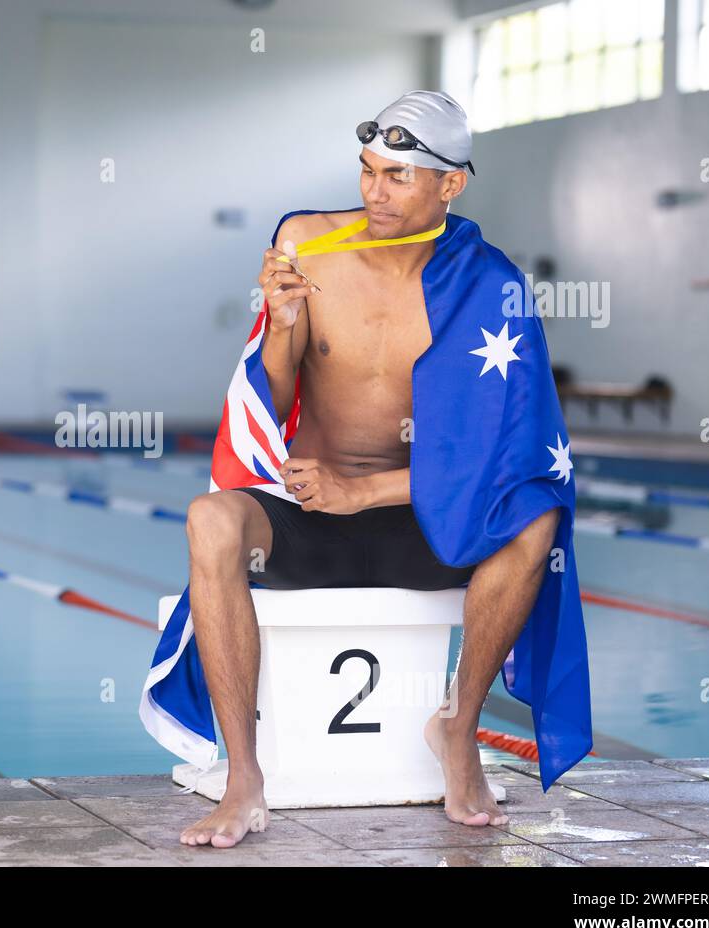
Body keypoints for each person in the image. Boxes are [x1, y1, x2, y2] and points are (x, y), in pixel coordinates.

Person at [177, 91, 563, 848]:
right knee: (210, 519)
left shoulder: (490, 286)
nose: (372, 193)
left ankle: (456, 725)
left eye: (396, 178)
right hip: (311, 513)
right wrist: (281, 326)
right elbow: (276, 393)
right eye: (367, 171)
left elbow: (496, 459)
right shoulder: (307, 242)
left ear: (450, 186)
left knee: (535, 517)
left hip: (425, 517)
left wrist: (366, 491)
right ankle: (244, 777)